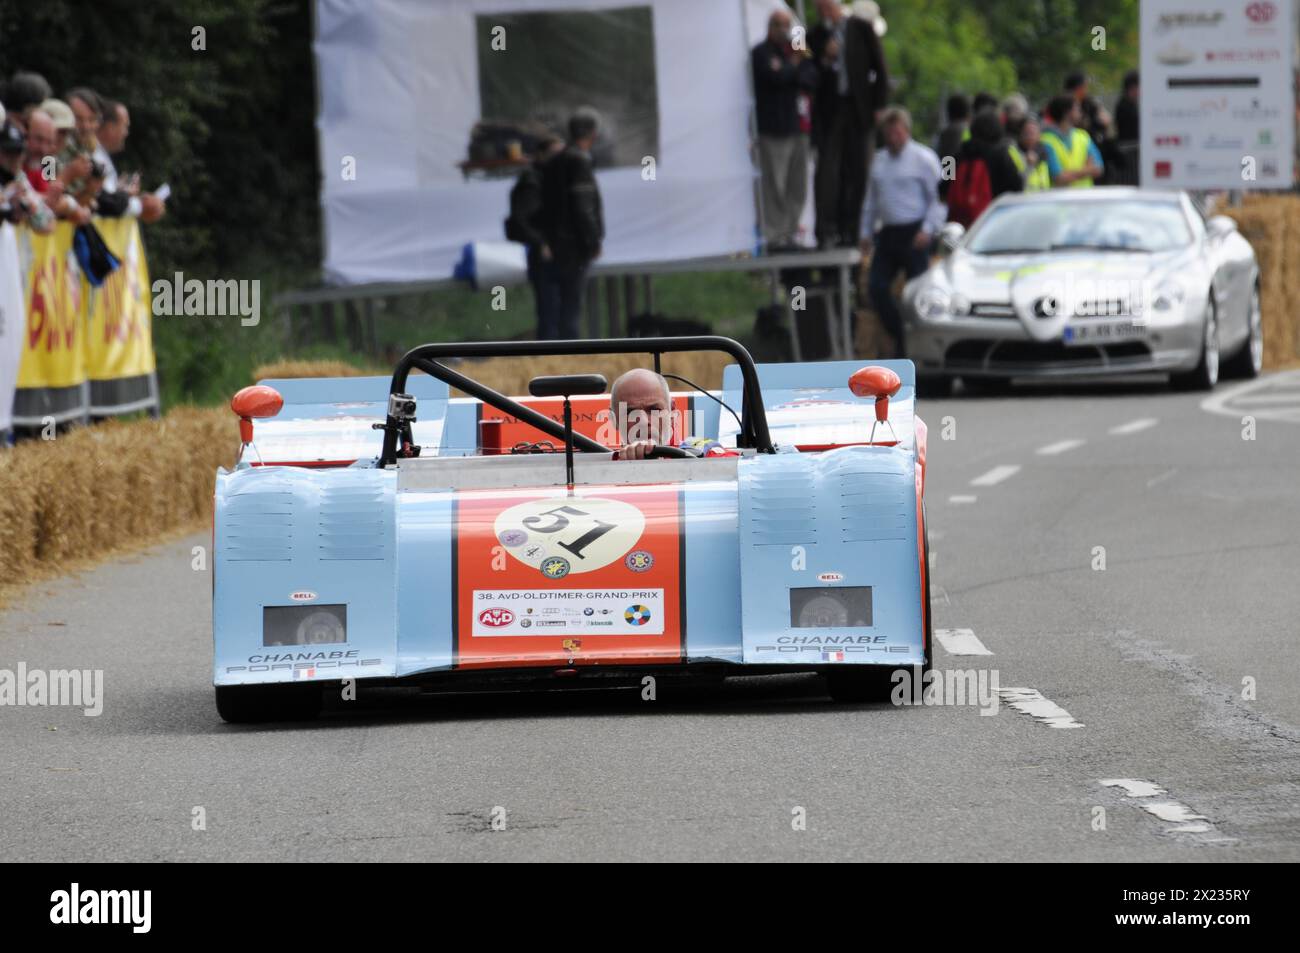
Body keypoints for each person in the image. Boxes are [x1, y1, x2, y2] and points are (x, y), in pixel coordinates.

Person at [859, 107, 943, 354]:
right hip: (889, 232)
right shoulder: (880, 160)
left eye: (897, 132)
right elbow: (871, 201)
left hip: (915, 230)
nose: (892, 138)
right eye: (888, 133)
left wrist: (928, 229)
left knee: (916, 291)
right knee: (876, 287)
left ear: (906, 131)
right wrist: (865, 232)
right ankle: (899, 333)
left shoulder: (923, 158)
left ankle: (920, 343)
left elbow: (938, 199)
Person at [810, 0, 890, 248]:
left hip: (859, 108)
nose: (823, 13)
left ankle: (853, 228)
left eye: (826, 8)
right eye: (819, 9)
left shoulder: (861, 28)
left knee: (857, 170)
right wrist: (825, 56)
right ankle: (826, 230)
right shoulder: (813, 35)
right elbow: (806, 70)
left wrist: (878, 105)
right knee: (829, 170)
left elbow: (880, 69)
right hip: (831, 110)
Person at [531, 109, 604, 340]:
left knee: (553, 313)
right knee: (572, 309)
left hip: (554, 246)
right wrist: (593, 240)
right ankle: (573, 359)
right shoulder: (579, 160)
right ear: (593, 134)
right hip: (574, 248)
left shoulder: (554, 162)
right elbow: (583, 206)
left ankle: (554, 360)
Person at [752, 8, 816, 250]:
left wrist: (793, 69)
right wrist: (795, 68)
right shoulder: (761, 52)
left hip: (800, 127)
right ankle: (775, 234)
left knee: (797, 183)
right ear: (770, 27)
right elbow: (773, 78)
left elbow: (812, 76)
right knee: (775, 183)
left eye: (786, 25)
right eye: (778, 25)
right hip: (774, 129)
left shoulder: (799, 49)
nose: (783, 30)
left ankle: (791, 231)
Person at [947, 109, 1021, 226]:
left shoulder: (956, 155)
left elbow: (942, 186)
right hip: (991, 222)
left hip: (959, 223)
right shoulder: (1002, 154)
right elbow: (1017, 186)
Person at [94, 100, 165, 222]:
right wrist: (139, 205)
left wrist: (123, 194)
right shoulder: (51, 157)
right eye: (125, 126)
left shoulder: (100, 154)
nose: (126, 133)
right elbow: (102, 203)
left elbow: (105, 198)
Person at [1041, 95, 1102, 188]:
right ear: (1067, 112)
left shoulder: (1083, 136)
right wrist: (1087, 170)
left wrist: (1068, 174)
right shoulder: (1046, 141)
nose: (1080, 112)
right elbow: (1058, 178)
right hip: (1059, 200)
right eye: (1077, 108)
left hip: (1085, 198)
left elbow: (1098, 169)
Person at [935, 93, 970, 200]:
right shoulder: (966, 131)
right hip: (964, 185)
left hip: (955, 186)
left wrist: (946, 187)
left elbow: (947, 160)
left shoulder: (946, 133)